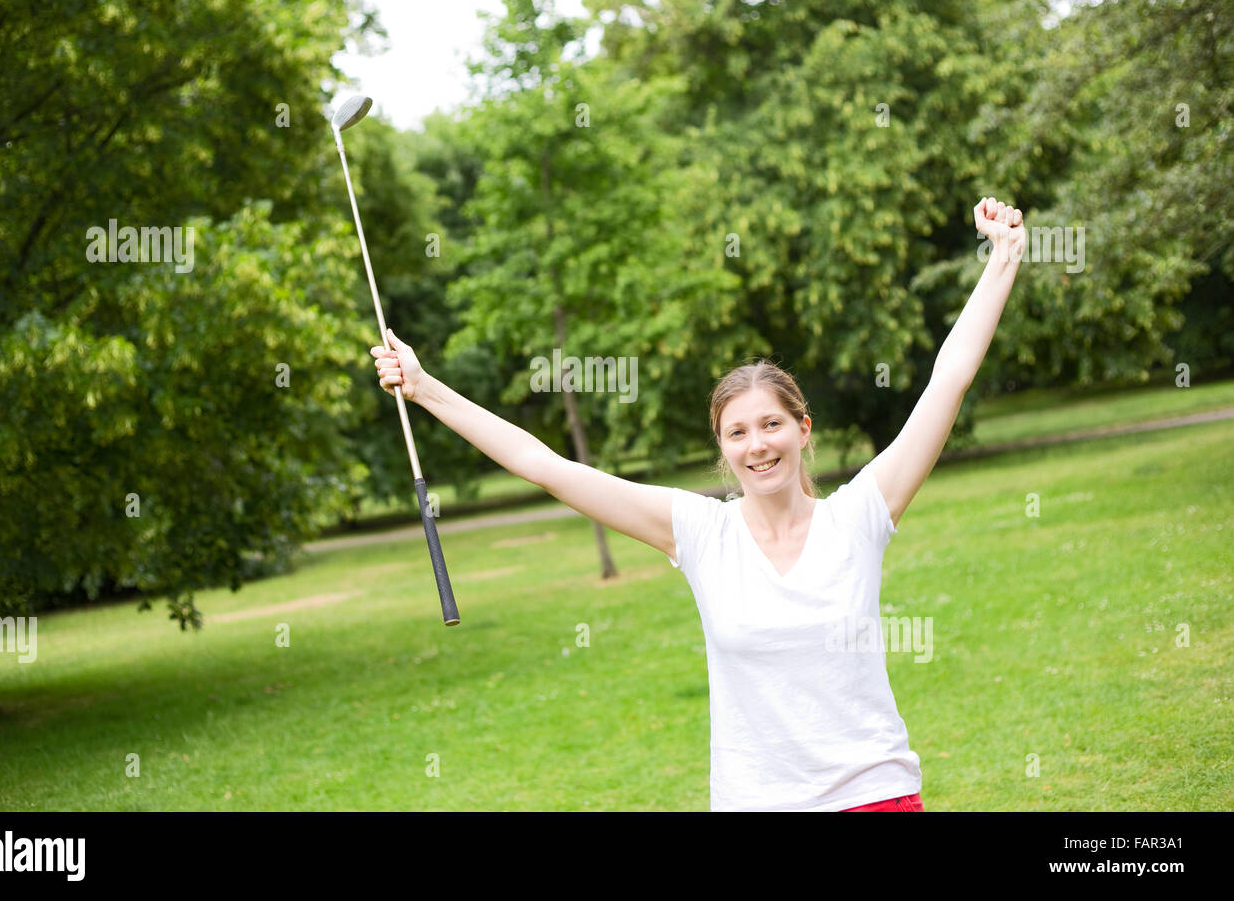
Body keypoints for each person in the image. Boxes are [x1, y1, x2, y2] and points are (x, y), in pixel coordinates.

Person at [371, 196, 1027, 811]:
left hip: (872, 796)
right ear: (722, 447)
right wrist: (426, 388)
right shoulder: (700, 533)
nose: (757, 445)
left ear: (803, 430)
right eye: (737, 432)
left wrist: (1002, 258)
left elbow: (950, 377)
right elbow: (549, 468)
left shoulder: (860, 515)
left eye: (771, 425)